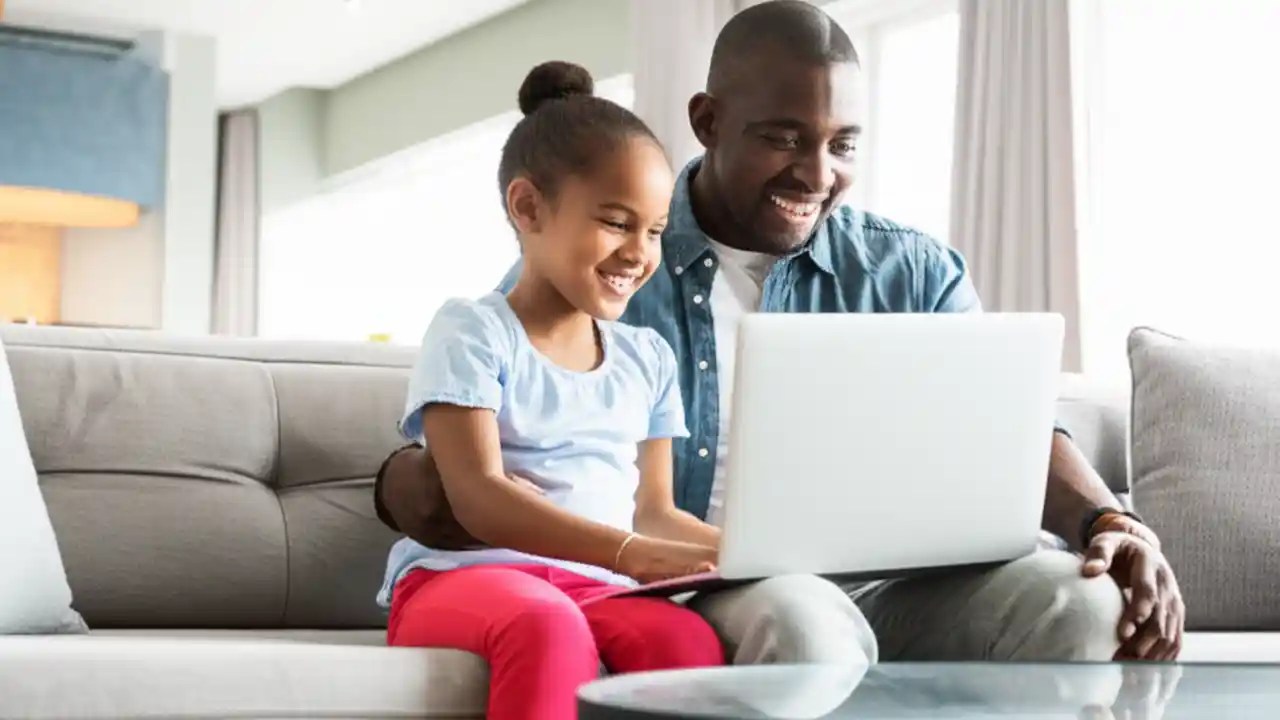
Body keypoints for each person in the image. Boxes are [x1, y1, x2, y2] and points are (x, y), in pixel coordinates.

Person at [377, 0, 1185, 668]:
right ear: (708, 121)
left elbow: (1016, 434)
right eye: (783, 138)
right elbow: (492, 425)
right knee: (805, 621)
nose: (816, 173)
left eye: (842, 145)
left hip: (901, 581)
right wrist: (401, 481)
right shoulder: (604, 268)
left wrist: (1114, 521)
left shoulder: (910, 272)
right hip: (720, 578)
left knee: (1078, 602)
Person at [378, 61, 737, 720]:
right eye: (614, 221)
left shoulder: (647, 357)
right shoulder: (474, 329)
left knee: (683, 639)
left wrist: (745, 545)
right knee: (546, 625)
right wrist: (631, 554)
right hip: (459, 579)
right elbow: (480, 498)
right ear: (528, 207)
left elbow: (654, 511)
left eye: (654, 230)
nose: (638, 251)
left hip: (593, 583)